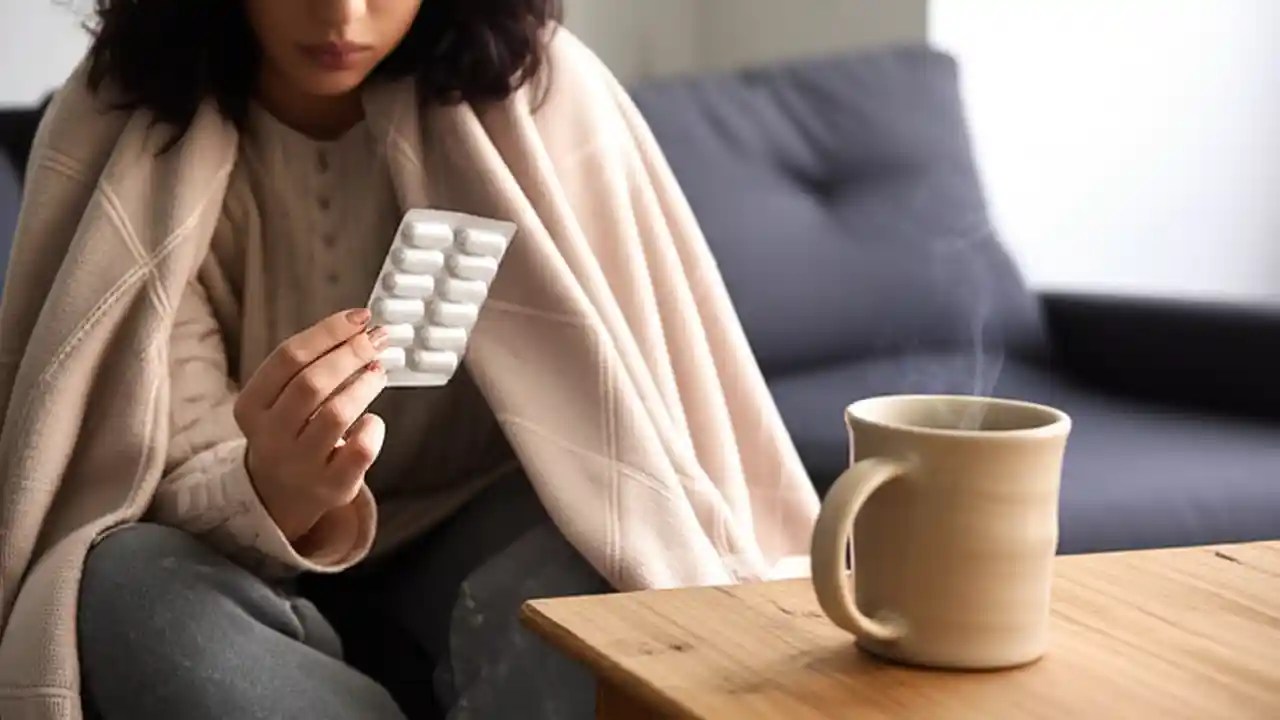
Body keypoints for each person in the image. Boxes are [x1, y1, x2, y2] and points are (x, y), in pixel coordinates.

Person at [72, 1, 607, 718]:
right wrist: (276, 487)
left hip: (481, 517)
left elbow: (622, 405)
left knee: (598, 543)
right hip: (236, 551)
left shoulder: (535, 89)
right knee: (124, 585)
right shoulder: (128, 126)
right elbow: (149, 454)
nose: (342, 16)